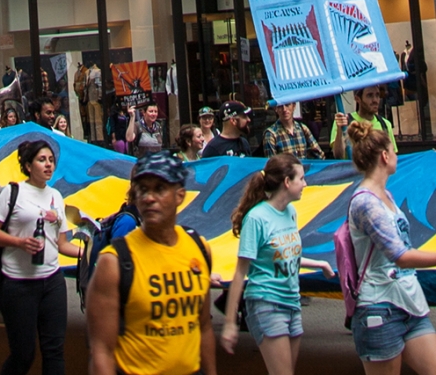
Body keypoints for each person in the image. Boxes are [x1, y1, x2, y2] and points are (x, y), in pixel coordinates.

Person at [84, 154, 214, 375]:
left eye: (160, 188)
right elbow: (101, 351)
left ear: (180, 195)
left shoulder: (199, 248)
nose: (149, 197)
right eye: (142, 189)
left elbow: (203, 327)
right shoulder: (114, 262)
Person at [219, 153, 331, 375]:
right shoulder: (257, 218)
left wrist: (319, 264)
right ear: (287, 182)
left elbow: (286, 255)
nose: (305, 184)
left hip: (292, 302)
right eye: (301, 179)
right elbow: (241, 272)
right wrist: (231, 322)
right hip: (266, 302)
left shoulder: (290, 212)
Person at [344, 119, 436, 373]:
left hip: (409, 303)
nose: (397, 155)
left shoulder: (387, 195)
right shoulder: (365, 203)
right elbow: (400, 256)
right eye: (394, 151)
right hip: (379, 308)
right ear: (385, 156)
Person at [0, 140, 81, 375]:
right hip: (18, 285)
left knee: (54, 351)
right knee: (23, 355)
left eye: (51, 160)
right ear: (28, 165)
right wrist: (19, 242)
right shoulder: (13, 192)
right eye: (41, 160)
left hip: (52, 283)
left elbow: (62, 243)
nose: (48, 165)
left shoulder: (56, 196)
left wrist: (92, 253)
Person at [333, 86, 398, 160]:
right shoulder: (344, 121)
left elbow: (392, 158)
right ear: (357, 99)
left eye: (377, 95)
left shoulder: (385, 124)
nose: (375, 100)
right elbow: (338, 155)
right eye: (369, 95)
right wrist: (340, 129)